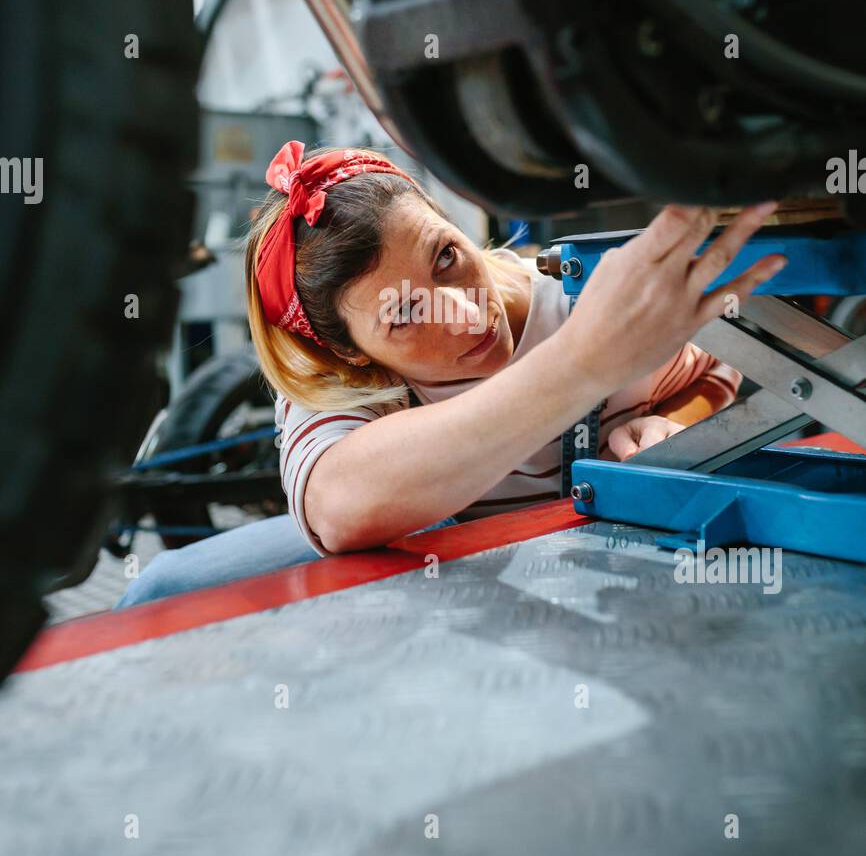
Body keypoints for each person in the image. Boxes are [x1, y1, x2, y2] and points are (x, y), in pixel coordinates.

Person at [115, 141, 786, 607]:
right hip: (438, 575)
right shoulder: (343, 380)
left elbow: (713, 377)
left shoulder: (574, 296)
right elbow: (338, 508)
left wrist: (673, 422)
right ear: (350, 351)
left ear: (455, 225)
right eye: (404, 314)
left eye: (446, 258)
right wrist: (583, 363)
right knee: (161, 589)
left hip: (594, 569)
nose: (466, 317)